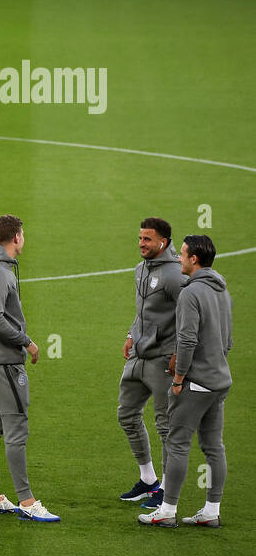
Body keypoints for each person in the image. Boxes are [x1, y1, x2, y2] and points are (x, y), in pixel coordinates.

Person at [0, 214, 59, 522]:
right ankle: (27, 501)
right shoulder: (1, 273)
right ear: (16, 237)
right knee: (16, 429)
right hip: (5, 363)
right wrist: (26, 341)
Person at [139, 235, 233, 529]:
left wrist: (179, 378)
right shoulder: (223, 291)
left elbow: (187, 340)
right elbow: (227, 341)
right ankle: (211, 510)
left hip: (196, 382)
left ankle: (167, 510)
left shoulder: (191, 294)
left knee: (177, 444)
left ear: (194, 260)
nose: (178, 259)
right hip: (219, 380)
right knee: (213, 447)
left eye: (182, 255)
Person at [116, 217, 181, 508]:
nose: (141, 243)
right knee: (127, 415)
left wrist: (179, 353)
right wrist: (132, 333)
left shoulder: (175, 275)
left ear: (163, 242)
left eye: (147, 239)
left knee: (166, 427)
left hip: (163, 361)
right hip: (138, 356)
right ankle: (148, 479)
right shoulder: (140, 269)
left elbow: (190, 317)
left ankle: (166, 490)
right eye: (140, 238)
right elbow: (143, 311)